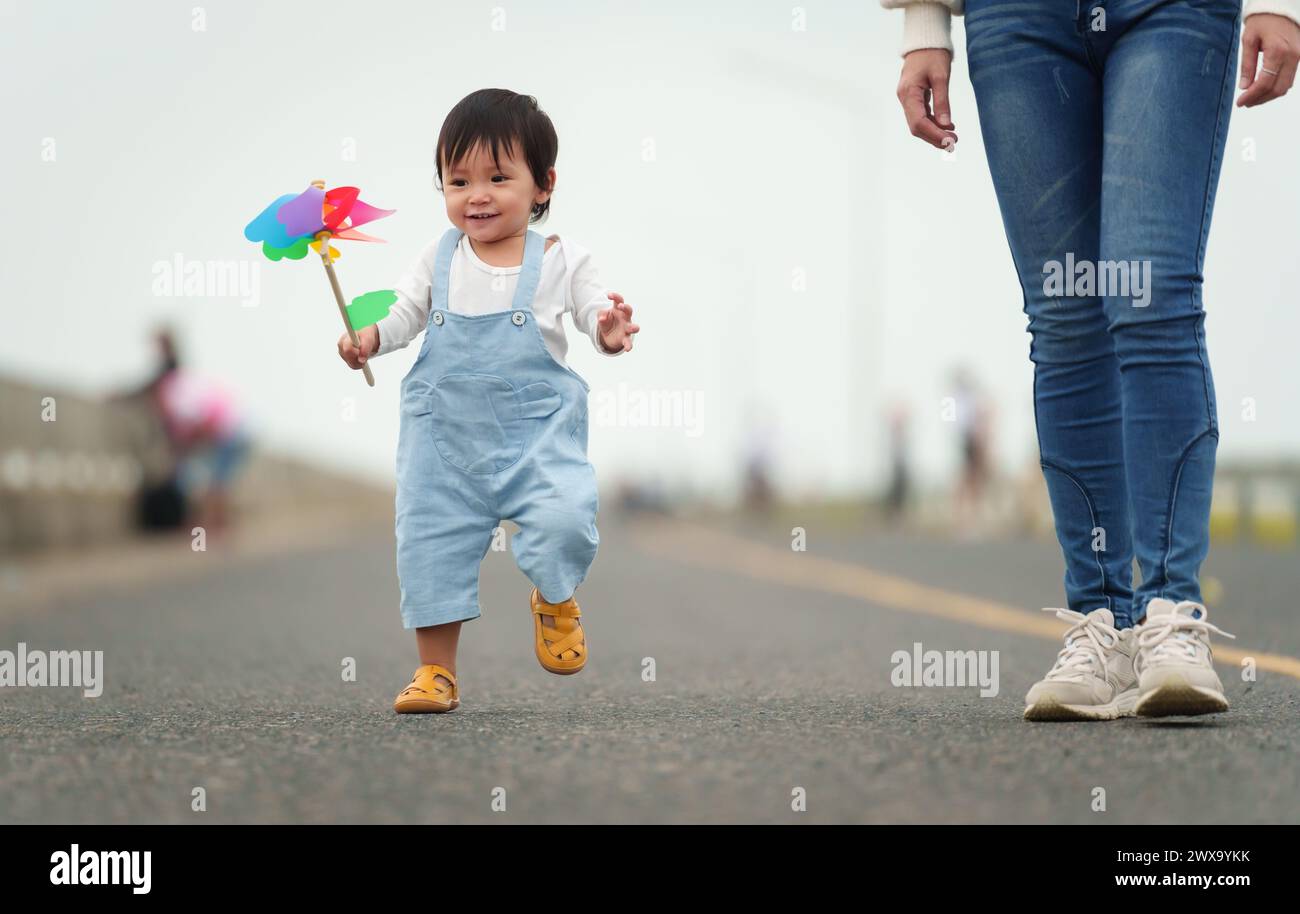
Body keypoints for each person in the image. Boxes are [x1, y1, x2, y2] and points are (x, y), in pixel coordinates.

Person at [882, 0, 1300, 719]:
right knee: (1066, 316)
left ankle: (1171, 614)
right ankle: (1101, 623)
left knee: (1150, 291)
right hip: (1014, 17)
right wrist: (923, 22)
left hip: (1174, 11)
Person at [338, 89, 641, 714]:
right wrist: (368, 337)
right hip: (444, 447)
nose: (476, 194)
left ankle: (554, 596)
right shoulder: (437, 258)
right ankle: (435, 671)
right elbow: (403, 315)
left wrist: (608, 332)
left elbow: (591, 314)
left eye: (498, 177)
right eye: (458, 179)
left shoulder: (561, 259)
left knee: (564, 521)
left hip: (537, 441)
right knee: (428, 546)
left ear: (542, 184)